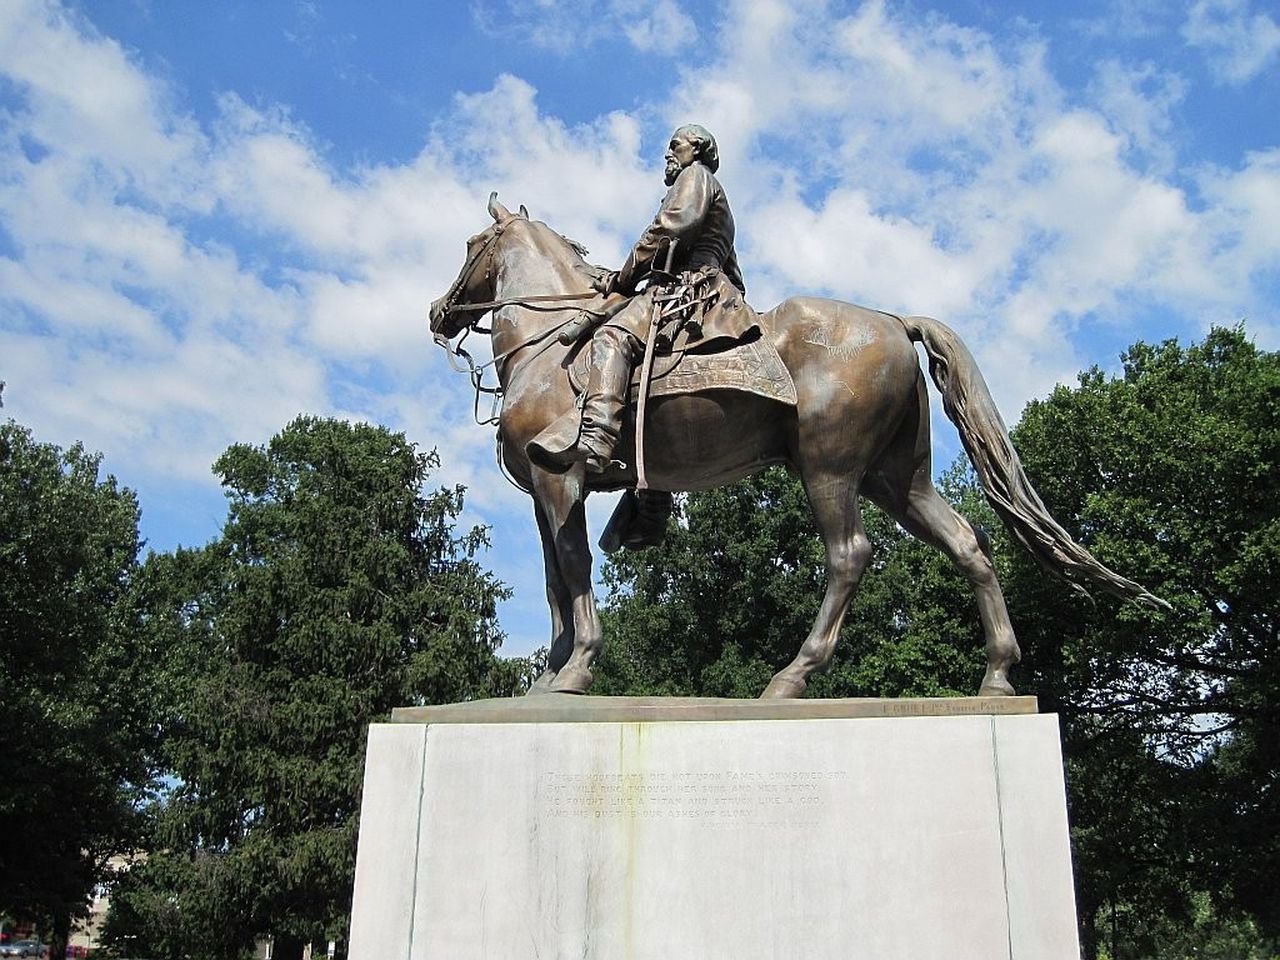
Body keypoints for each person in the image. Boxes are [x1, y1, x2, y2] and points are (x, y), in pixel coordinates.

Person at [530, 123, 752, 474]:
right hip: (708, 285)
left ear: (695, 151)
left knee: (612, 336)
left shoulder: (695, 177)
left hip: (686, 288)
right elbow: (733, 268)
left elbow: (670, 226)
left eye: (675, 145)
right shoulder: (713, 192)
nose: (668, 153)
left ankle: (597, 437)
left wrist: (625, 275)